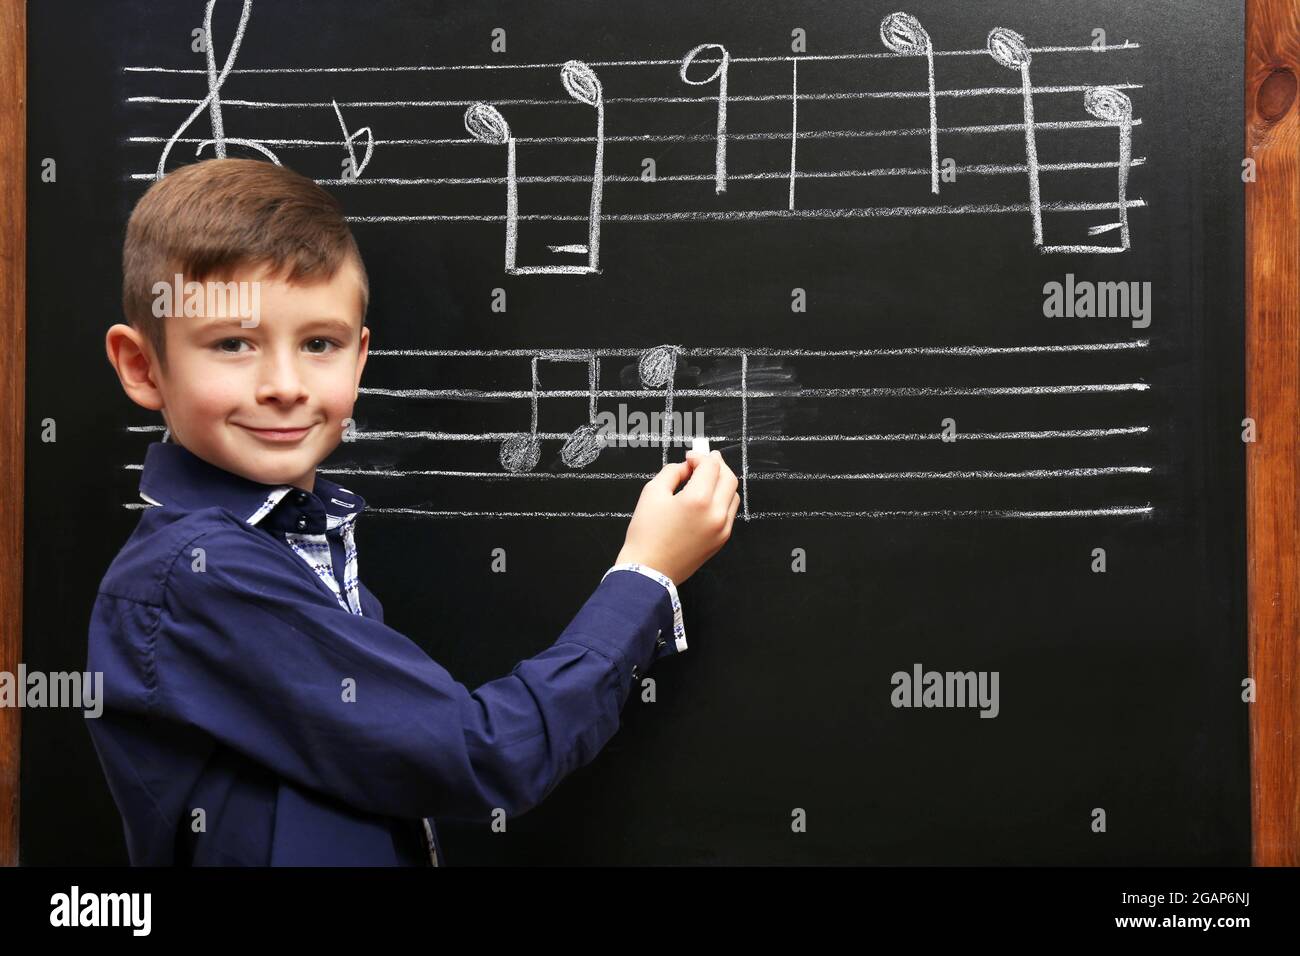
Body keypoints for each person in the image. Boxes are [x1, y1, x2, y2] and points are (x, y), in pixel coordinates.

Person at [88, 158, 739, 865]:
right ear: (142, 365)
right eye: (233, 344)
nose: (283, 385)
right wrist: (644, 576)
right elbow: (485, 754)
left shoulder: (299, 544)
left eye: (318, 344)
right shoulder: (199, 578)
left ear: (358, 358)